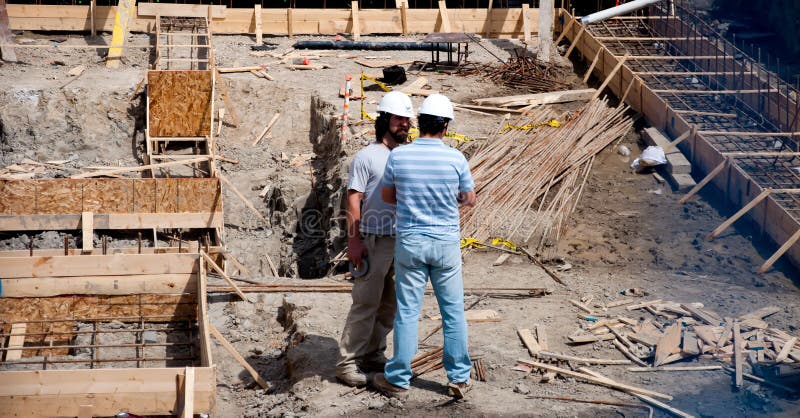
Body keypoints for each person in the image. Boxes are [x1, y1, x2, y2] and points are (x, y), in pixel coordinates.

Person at [372, 94, 477, 399]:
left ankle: (398, 377)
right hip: (445, 242)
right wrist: (447, 198)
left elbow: (389, 197)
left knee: (407, 311)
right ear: (445, 125)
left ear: (419, 124)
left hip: (411, 242)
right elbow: (469, 199)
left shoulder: (399, 157)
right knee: (453, 312)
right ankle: (458, 378)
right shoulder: (456, 158)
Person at [336, 91, 414, 387]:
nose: (404, 124)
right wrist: (354, 242)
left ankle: (373, 352)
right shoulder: (367, 157)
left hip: (401, 241)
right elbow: (354, 200)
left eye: (406, 119)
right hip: (373, 240)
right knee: (366, 303)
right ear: (384, 120)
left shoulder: (407, 154)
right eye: (398, 119)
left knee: (390, 305)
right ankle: (347, 363)